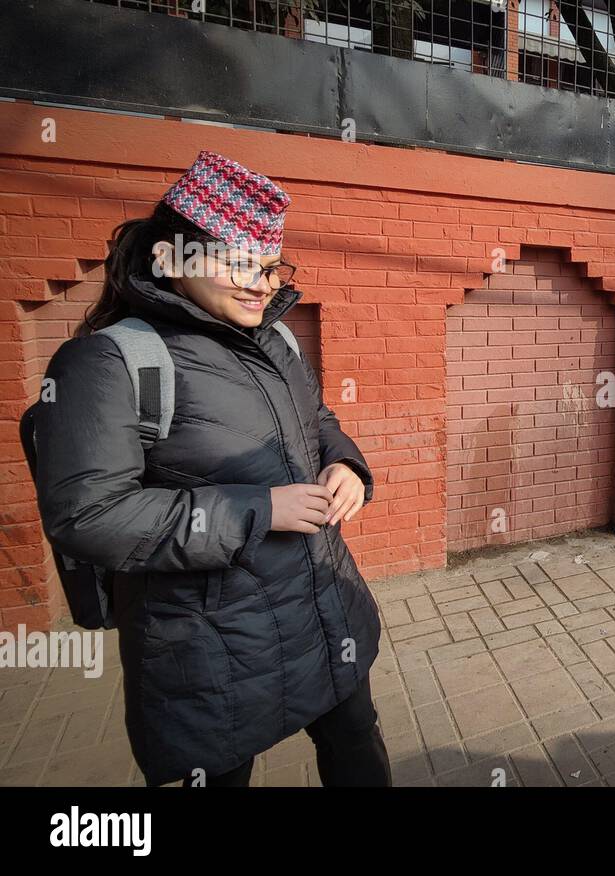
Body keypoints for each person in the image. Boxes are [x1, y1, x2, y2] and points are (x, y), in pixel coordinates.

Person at [32, 151, 391, 787]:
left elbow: (318, 423)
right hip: (208, 650)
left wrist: (347, 468)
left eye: (270, 265)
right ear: (170, 258)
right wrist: (260, 509)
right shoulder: (107, 363)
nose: (261, 283)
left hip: (322, 608)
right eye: (235, 261)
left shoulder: (272, 339)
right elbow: (87, 516)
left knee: (358, 751)